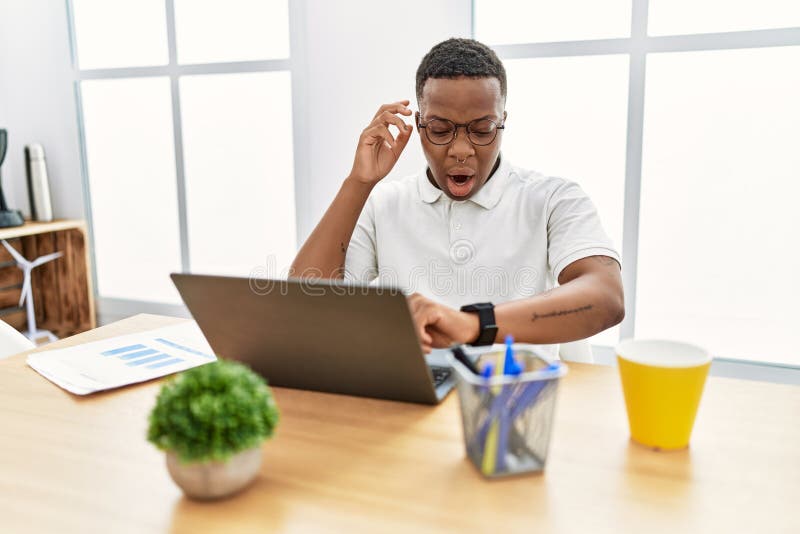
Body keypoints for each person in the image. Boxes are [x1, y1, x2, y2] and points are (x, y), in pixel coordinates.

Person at [291, 38, 624, 356]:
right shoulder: (383, 205)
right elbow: (304, 307)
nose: (461, 150)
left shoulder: (553, 198)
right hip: (413, 398)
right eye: (439, 130)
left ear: (502, 123)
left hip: (513, 395)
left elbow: (607, 297)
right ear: (419, 125)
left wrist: (473, 324)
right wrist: (359, 183)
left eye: (482, 130)